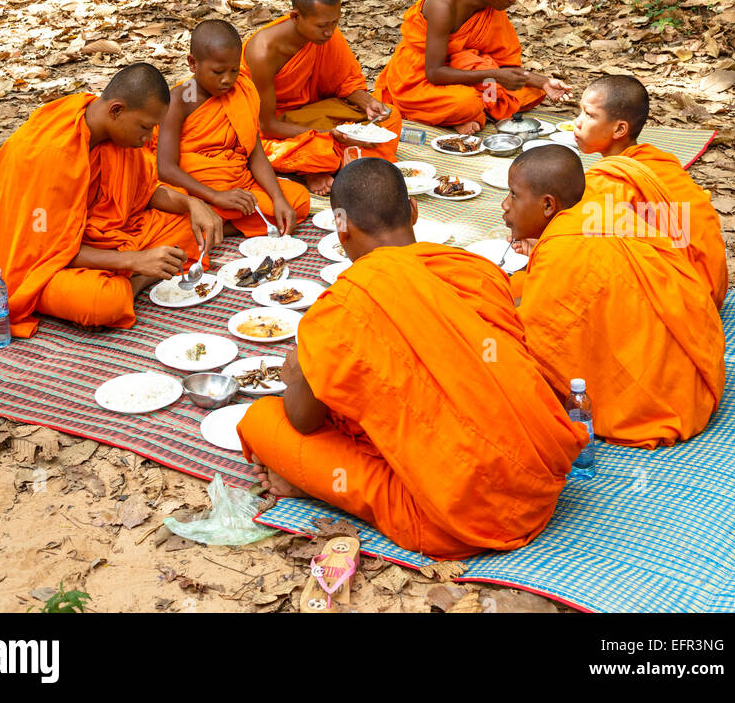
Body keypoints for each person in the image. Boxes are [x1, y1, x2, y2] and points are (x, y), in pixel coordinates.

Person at [238, 157, 588, 559]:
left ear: (341, 226)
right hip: (538, 484)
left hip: (457, 514)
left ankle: (311, 485)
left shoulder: (343, 306)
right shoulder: (474, 271)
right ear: (415, 210)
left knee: (261, 420)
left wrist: (299, 367)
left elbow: (301, 419)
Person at [0, 64, 223, 337]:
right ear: (116, 110)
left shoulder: (116, 135)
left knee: (190, 229)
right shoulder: (51, 155)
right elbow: (49, 250)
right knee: (103, 302)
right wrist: (134, 261)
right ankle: (136, 281)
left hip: (100, 237)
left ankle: (137, 277)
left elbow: (146, 192)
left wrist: (192, 204)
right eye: (145, 127)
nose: (148, 139)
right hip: (39, 261)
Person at [504, 146, 725, 448]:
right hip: (695, 376)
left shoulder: (564, 251)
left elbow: (540, 342)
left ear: (547, 205)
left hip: (653, 403)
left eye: (513, 195)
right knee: (516, 287)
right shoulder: (603, 212)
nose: (505, 205)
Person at [573, 74, 727, 308]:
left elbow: (584, 241)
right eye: (581, 111)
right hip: (711, 284)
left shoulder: (610, 181)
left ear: (619, 129)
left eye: (590, 115)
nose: (578, 122)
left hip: (684, 299)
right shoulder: (655, 160)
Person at [374, 0, 570, 132]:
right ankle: (462, 115)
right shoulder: (443, 8)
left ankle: (467, 113)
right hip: (420, 77)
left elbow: (504, 64)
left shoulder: (490, 6)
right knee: (467, 102)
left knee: (529, 92)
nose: (513, 0)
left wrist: (543, 83)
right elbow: (434, 73)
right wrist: (495, 75)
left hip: (466, 71)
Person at [241, 0, 402, 196]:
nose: (330, 31)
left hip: (315, 115)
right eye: (322, 26)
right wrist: (331, 134)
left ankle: (329, 164)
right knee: (318, 151)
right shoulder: (263, 52)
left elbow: (345, 82)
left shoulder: (326, 36)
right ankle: (324, 164)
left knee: (390, 117)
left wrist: (367, 102)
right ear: (296, 17)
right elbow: (267, 126)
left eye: (335, 23)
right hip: (278, 128)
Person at [154, 19, 310, 236]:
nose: (227, 80)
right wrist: (215, 196)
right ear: (193, 63)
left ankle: (222, 226)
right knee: (169, 219)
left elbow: (255, 152)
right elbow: (166, 168)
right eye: (218, 72)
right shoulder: (179, 100)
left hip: (239, 185)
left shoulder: (241, 90)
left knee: (297, 201)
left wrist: (278, 199)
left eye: (234, 70)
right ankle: (220, 222)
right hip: (200, 190)